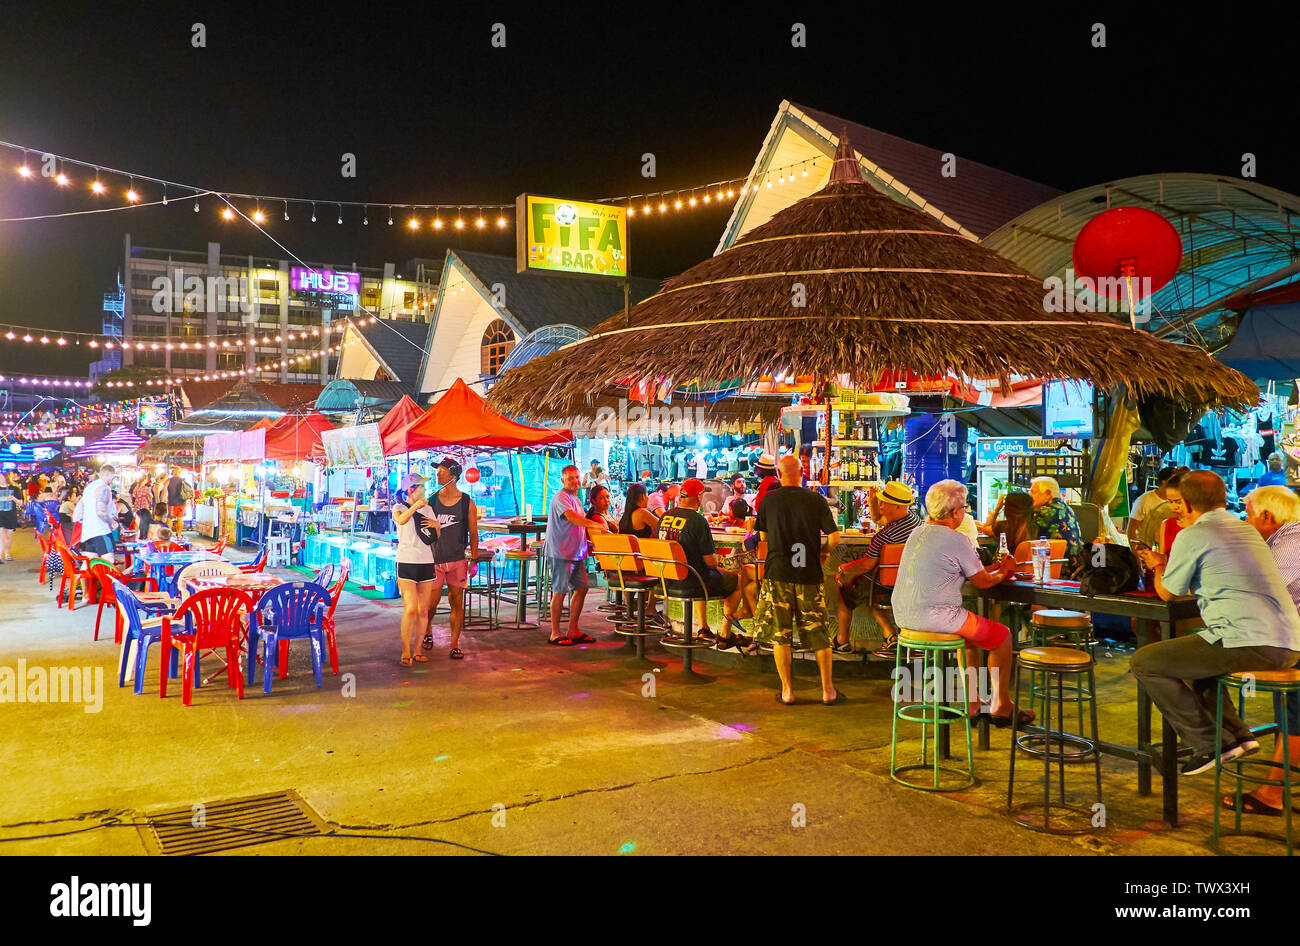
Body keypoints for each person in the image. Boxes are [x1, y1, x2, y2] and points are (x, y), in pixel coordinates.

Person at [1132, 471, 1300, 775]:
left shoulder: (1193, 534)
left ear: (1184, 503)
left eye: (1176, 503)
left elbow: (1168, 593)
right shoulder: (1246, 530)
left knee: (1145, 661)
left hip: (1254, 641)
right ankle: (1238, 735)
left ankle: (1211, 744)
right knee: (1201, 662)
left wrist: (1158, 564)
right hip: (1289, 641)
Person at [891, 479, 1031, 726]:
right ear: (955, 513)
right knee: (1002, 636)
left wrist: (993, 568)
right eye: (964, 508)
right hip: (935, 617)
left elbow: (970, 570)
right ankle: (1000, 704)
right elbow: (984, 583)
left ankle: (973, 701)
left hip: (904, 615)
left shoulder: (918, 533)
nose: (965, 512)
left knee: (969, 639)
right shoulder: (957, 539)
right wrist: (1005, 569)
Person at [1231, 485, 1300, 813]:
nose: (1245, 520)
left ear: (1267, 516)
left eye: (1248, 514)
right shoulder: (1283, 541)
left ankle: (1272, 794)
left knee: (1295, 716)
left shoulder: (1290, 544)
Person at [752, 456, 842, 704]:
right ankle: (827, 691)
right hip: (808, 573)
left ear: (779, 474)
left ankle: (788, 691)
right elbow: (835, 538)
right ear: (803, 472)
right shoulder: (815, 499)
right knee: (819, 633)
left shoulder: (769, 500)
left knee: (781, 634)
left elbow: (761, 536)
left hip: (778, 573)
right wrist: (823, 551)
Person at [657, 477, 749, 648]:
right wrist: (722, 561)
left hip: (666, 580)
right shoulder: (698, 521)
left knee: (700, 570)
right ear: (699, 497)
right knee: (738, 579)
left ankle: (703, 627)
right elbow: (711, 562)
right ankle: (725, 634)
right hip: (692, 581)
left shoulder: (665, 517)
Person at [835, 481, 921, 655]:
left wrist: (843, 570)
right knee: (874, 594)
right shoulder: (916, 522)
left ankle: (842, 641)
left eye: (884, 502)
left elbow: (867, 564)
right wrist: (873, 499)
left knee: (844, 587)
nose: (881, 504)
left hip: (884, 586)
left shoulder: (884, 536)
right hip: (911, 583)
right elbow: (877, 519)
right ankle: (890, 636)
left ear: (897, 507)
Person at [419, 458, 478, 661]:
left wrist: (474, 559)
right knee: (433, 602)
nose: (437, 474)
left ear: (453, 475)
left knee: (456, 602)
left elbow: (473, 532)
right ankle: (427, 630)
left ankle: (454, 644)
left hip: (458, 560)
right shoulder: (431, 500)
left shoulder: (467, 502)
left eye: (441, 471)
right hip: (434, 560)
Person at [546, 464, 608, 646]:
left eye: (577, 477)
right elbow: (572, 517)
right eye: (571, 478)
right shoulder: (560, 498)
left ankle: (573, 629)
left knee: (581, 588)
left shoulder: (576, 498)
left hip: (576, 553)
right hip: (561, 552)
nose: (575, 481)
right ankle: (555, 633)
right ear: (563, 480)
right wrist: (594, 524)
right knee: (560, 592)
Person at [391, 473, 441, 666]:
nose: (424, 491)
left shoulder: (428, 509)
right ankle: (405, 651)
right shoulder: (399, 507)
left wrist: (437, 526)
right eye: (421, 487)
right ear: (412, 490)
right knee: (411, 608)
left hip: (426, 562)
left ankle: (418, 649)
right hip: (406, 562)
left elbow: (435, 535)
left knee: (423, 610)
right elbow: (401, 520)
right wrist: (414, 507)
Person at [1029, 476, 1083, 575]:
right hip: (1075, 569)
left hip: (1057, 569)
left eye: (1034, 492)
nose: (1030, 495)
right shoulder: (1067, 508)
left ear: (1048, 494)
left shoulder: (1043, 512)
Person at [76, 464, 118, 565]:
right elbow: (101, 512)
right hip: (101, 531)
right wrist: (112, 522)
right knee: (109, 563)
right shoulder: (104, 488)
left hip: (88, 532)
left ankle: (79, 581)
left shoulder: (89, 488)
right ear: (112, 475)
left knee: (88, 565)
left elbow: (79, 509)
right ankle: (107, 581)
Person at [1128, 466, 1178, 548]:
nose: (1178, 483)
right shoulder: (1144, 500)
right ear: (1164, 482)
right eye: (1174, 480)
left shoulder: (1179, 502)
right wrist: (1136, 553)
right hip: (1146, 549)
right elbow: (1131, 530)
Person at [0, 473, 21, 561]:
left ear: (5, 478)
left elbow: (20, 503)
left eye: (1, 477)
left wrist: (13, 498)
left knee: (8, 536)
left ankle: (7, 553)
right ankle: (0, 554)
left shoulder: (14, 489)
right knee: (1, 535)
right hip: (0, 515)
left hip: (11, 515)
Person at [165, 467, 190, 534]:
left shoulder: (168, 480)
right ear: (179, 472)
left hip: (171, 502)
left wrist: (163, 500)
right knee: (180, 518)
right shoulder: (183, 480)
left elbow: (164, 491)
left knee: (169, 518)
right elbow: (188, 490)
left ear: (172, 472)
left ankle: (169, 534)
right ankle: (179, 534)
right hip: (181, 502)